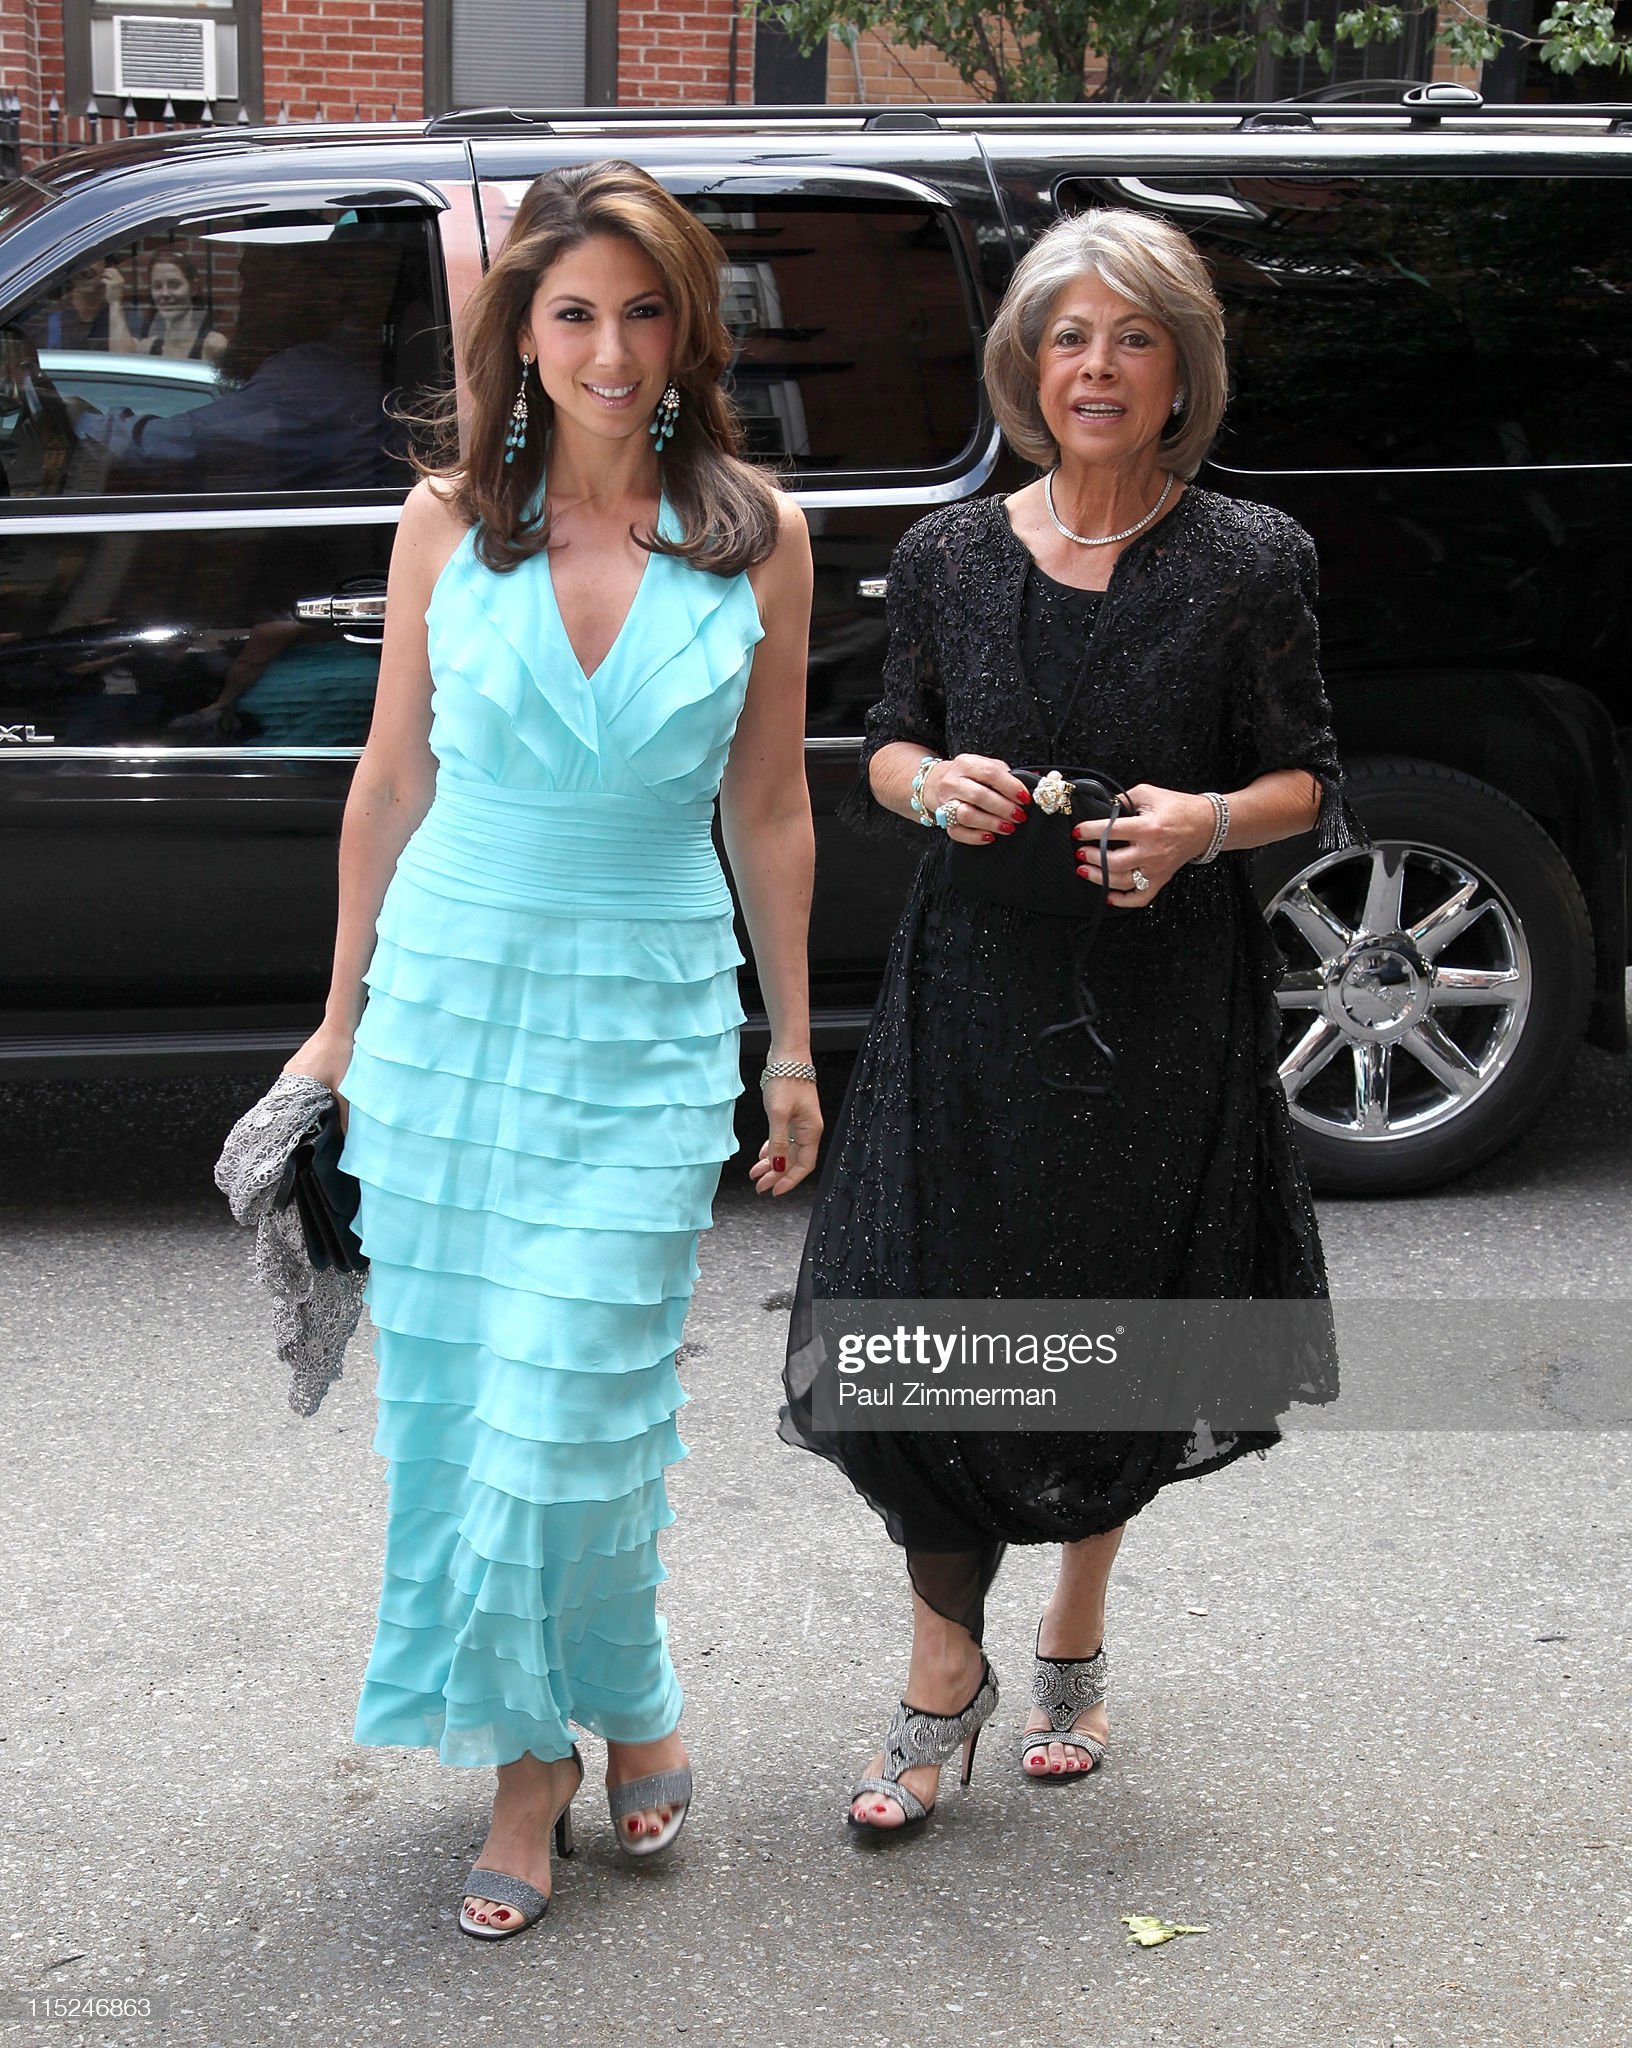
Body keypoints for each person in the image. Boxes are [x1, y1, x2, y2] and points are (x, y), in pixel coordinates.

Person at [283, 160, 820, 1936]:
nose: (607, 349)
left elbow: (767, 804)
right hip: (448, 1003)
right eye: (572, 312)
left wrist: (798, 1048)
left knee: (578, 1405)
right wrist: (343, 1013)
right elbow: (392, 772)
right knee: (472, 1414)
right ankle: (544, 1752)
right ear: (521, 330)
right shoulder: (449, 514)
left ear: (689, 332)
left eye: (642, 310)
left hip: (648, 1008)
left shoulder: (757, 532)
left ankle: (627, 1688)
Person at [780, 208, 1360, 1840]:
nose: (1094, 366)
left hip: (1154, 1005)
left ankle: (1074, 1634)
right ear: (1025, 366)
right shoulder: (956, 552)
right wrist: (928, 782)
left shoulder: (1252, 560)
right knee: (908, 1328)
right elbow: (885, 743)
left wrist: (1203, 825)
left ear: (1182, 371)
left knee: (1104, 1328)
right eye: (1066, 337)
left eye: (1131, 337)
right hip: (966, 997)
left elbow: (1312, 782)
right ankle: (938, 1667)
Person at [111, 247, 226, 365]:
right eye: (157, 286)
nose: (164, 293)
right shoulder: (148, 347)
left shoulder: (213, 345)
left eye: (174, 284)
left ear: (193, 288)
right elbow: (121, 363)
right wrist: (114, 301)